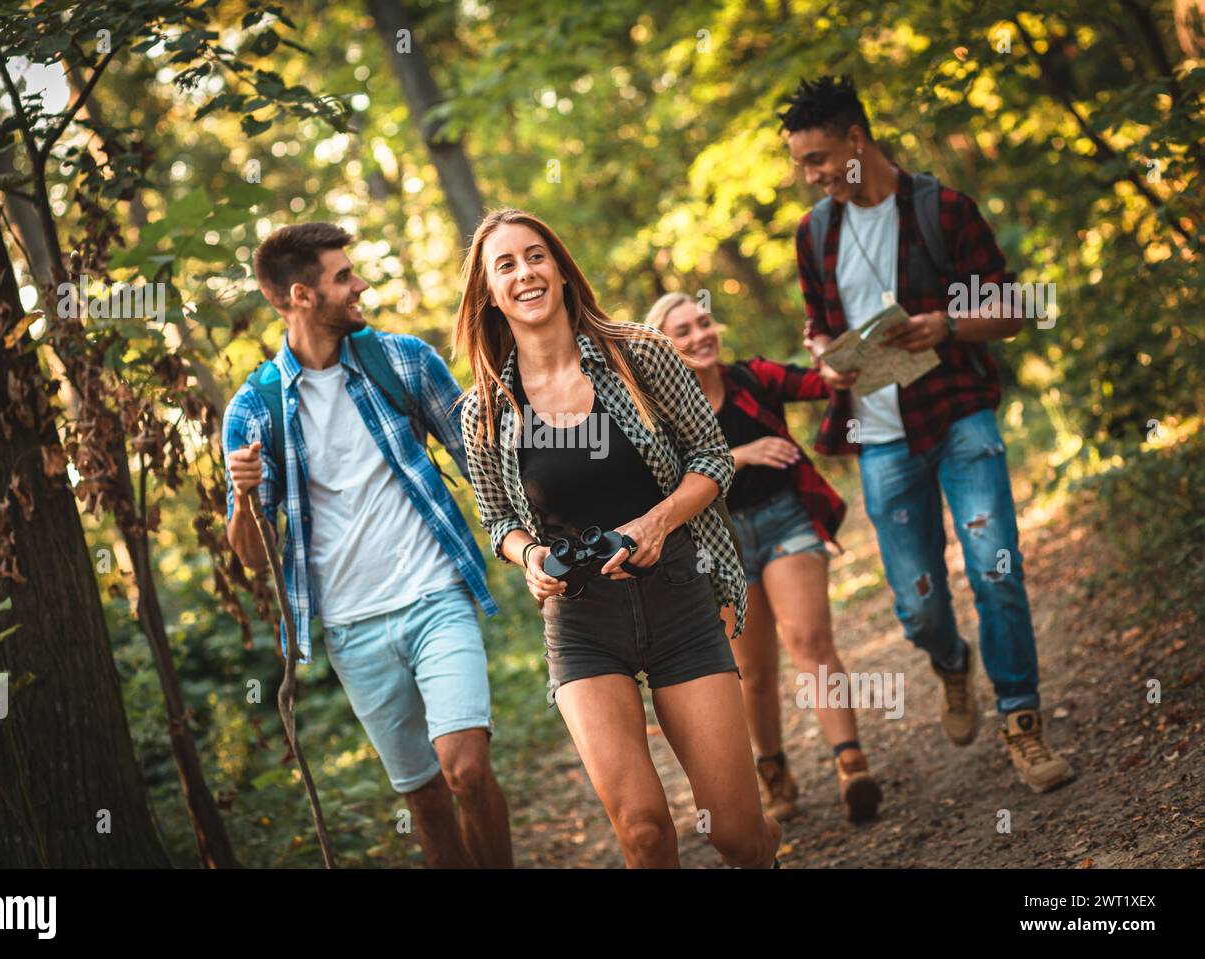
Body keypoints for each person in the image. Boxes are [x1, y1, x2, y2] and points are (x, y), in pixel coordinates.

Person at [455, 208, 780, 868]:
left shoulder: (640, 353)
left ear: (562, 268)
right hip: (581, 624)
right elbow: (498, 521)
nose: (525, 273)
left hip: (680, 602)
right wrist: (530, 556)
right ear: (490, 292)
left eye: (536, 255)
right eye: (506, 265)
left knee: (735, 833)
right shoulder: (484, 407)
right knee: (642, 828)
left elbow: (712, 456)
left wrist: (658, 520)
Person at [781, 74, 1075, 793]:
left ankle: (1022, 720)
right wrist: (827, 358)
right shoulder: (816, 232)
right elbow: (818, 326)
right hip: (880, 438)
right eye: (802, 166)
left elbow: (1013, 308)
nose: (812, 177)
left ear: (857, 139)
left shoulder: (943, 208)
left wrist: (947, 324)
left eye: (818, 160)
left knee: (996, 568)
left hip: (959, 413)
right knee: (916, 603)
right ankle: (950, 663)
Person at [222, 222, 514, 866]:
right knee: (427, 799)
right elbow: (249, 553)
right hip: (352, 629)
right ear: (301, 296)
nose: (361, 286)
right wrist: (244, 496)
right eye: (344, 278)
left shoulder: (403, 359)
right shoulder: (255, 408)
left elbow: (483, 458)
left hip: (436, 595)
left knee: (465, 769)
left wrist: (545, 535)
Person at [646, 292, 881, 822]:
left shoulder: (751, 378)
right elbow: (662, 482)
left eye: (704, 322)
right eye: (682, 331)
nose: (700, 336)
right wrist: (739, 455)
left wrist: (831, 360)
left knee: (808, 639)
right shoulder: (656, 413)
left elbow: (822, 382)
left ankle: (852, 764)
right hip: (718, 545)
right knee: (753, 670)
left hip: (785, 521)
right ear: (664, 346)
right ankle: (774, 771)